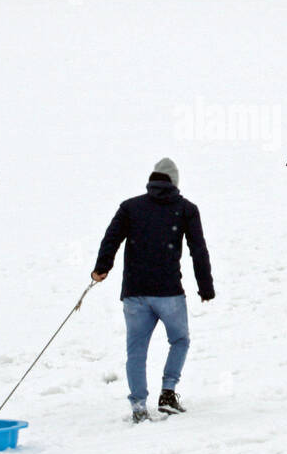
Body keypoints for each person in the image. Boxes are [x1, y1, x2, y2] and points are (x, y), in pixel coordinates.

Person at [91, 158, 214, 423]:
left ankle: (138, 405)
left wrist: (102, 267)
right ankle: (168, 393)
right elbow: (198, 250)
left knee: (136, 351)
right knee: (179, 340)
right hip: (169, 291)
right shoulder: (186, 209)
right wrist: (205, 287)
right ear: (175, 182)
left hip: (135, 291)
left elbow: (111, 238)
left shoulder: (130, 207)